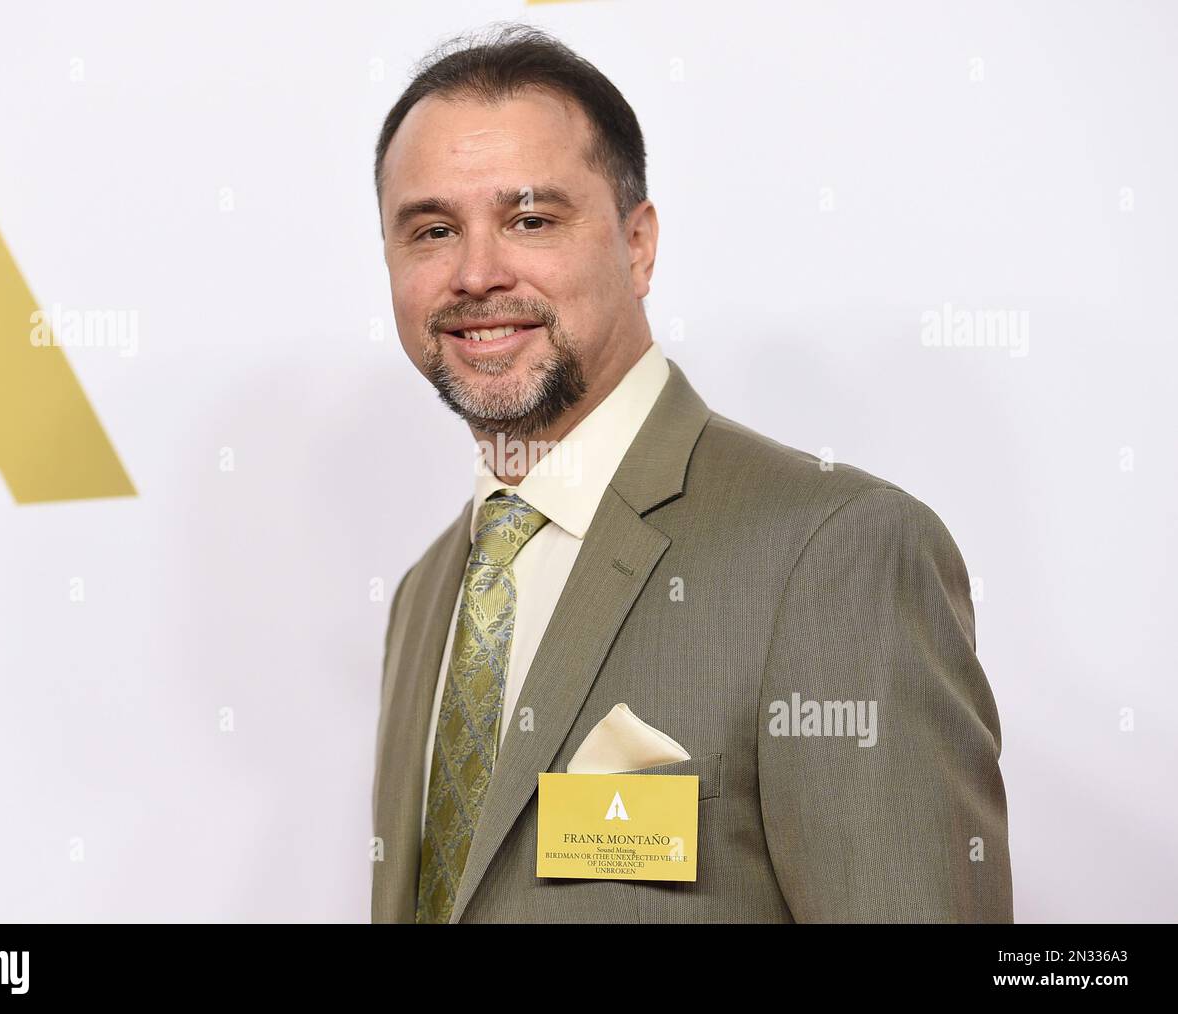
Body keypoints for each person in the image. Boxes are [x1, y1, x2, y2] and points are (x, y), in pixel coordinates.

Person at [370, 24, 1012, 924]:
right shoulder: (427, 594)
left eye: (531, 220)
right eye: (433, 229)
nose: (477, 272)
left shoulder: (833, 554)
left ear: (637, 246)